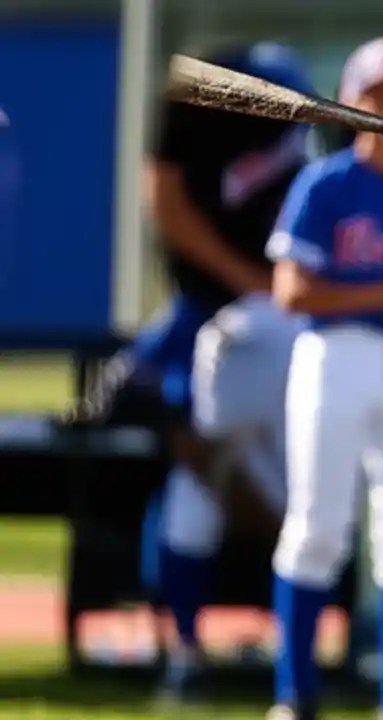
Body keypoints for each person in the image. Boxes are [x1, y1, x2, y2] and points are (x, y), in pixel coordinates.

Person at [264, 37, 383, 720]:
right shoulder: (328, 182)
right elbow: (292, 291)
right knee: (318, 525)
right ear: (352, 102)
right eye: (381, 94)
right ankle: (295, 693)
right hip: (333, 355)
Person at [138, 41, 315, 699]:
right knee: (197, 476)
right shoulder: (192, 108)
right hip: (218, 324)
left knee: (309, 495)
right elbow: (167, 199)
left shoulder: (315, 167)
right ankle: (184, 649)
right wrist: (251, 282)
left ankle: (310, 655)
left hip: (292, 330)